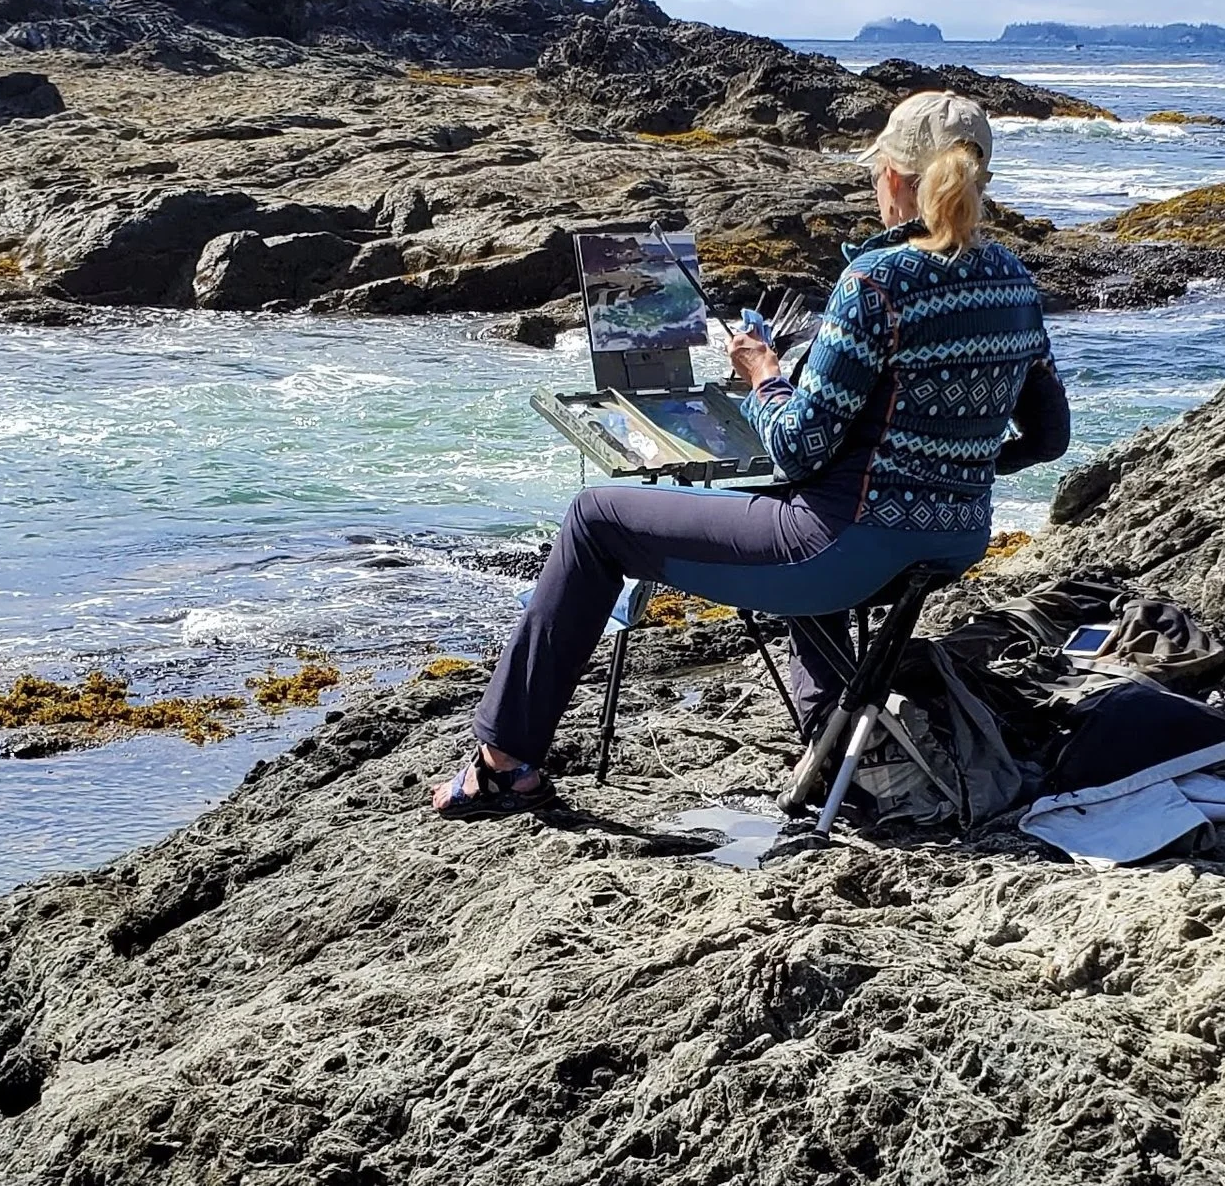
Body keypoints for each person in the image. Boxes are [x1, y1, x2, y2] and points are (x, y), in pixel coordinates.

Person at [435, 91, 1072, 820]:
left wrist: (763, 376)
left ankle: (503, 762)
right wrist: (950, 466)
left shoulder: (878, 282)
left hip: (845, 550)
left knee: (593, 518)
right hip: (951, 541)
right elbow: (1048, 436)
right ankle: (832, 731)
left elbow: (799, 445)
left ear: (896, 177)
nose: (873, 186)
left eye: (876, 174)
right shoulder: (1015, 283)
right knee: (788, 511)